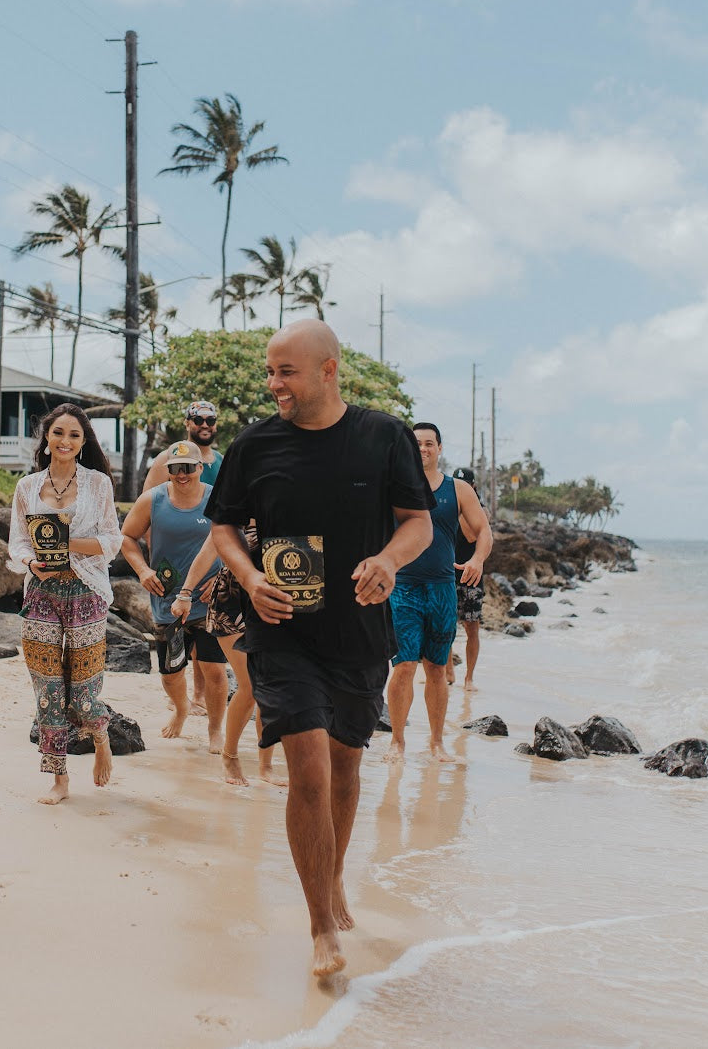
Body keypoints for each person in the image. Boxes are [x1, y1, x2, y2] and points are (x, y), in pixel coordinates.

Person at [207, 320, 432, 978]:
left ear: (328, 369)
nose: (274, 384)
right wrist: (249, 578)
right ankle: (318, 931)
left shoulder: (383, 435)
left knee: (342, 767)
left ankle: (332, 875)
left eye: (286, 372)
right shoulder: (255, 444)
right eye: (270, 371)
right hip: (281, 629)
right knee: (305, 766)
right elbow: (222, 526)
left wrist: (388, 561)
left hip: (358, 631)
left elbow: (415, 523)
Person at [6, 403, 124, 805]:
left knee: (84, 693)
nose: (66, 441)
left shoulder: (98, 485)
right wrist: (30, 561)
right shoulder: (26, 487)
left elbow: (112, 541)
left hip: (86, 592)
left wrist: (64, 542)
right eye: (59, 433)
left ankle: (101, 735)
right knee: (47, 689)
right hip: (41, 593)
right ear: (47, 438)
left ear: (83, 441)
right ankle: (59, 778)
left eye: (75, 435)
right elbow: (18, 542)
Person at [383, 425, 492, 762]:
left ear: (439, 448)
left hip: (443, 589)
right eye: (417, 444)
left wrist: (477, 559)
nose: (423, 449)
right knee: (403, 667)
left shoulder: (457, 489)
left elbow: (483, 530)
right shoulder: (395, 488)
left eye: (429, 443)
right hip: (402, 588)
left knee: (435, 668)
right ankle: (397, 742)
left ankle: (435, 743)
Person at [119, 440, 228, 751]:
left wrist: (223, 577)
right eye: (176, 469)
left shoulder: (216, 499)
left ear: (200, 468)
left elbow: (233, 540)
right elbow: (127, 537)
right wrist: (142, 570)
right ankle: (180, 710)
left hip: (208, 600)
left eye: (189, 468)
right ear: (168, 471)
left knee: (215, 670)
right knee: (170, 673)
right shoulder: (152, 500)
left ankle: (215, 730)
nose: (182, 475)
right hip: (167, 600)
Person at [174, 524, 287, 788]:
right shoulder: (236, 515)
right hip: (232, 602)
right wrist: (185, 594)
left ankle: (265, 766)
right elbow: (208, 551)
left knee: (270, 685)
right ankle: (230, 756)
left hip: (276, 600)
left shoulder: (290, 511)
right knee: (252, 684)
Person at [450, 467, 490, 691]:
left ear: (473, 487)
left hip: (472, 577)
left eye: (465, 485)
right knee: (445, 625)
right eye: (456, 484)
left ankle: (469, 677)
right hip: (447, 574)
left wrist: (462, 507)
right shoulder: (445, 505)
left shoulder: (480, 510)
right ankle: (448, 670)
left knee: (472, 627)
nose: (460, 489)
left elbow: (472, 535)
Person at [141, 399, 224, 491]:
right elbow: (147, 500)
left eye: (210, 420)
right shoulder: (168, 458)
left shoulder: (222, 461)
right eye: (198, 420)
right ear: (187, 424)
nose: (205, 425)